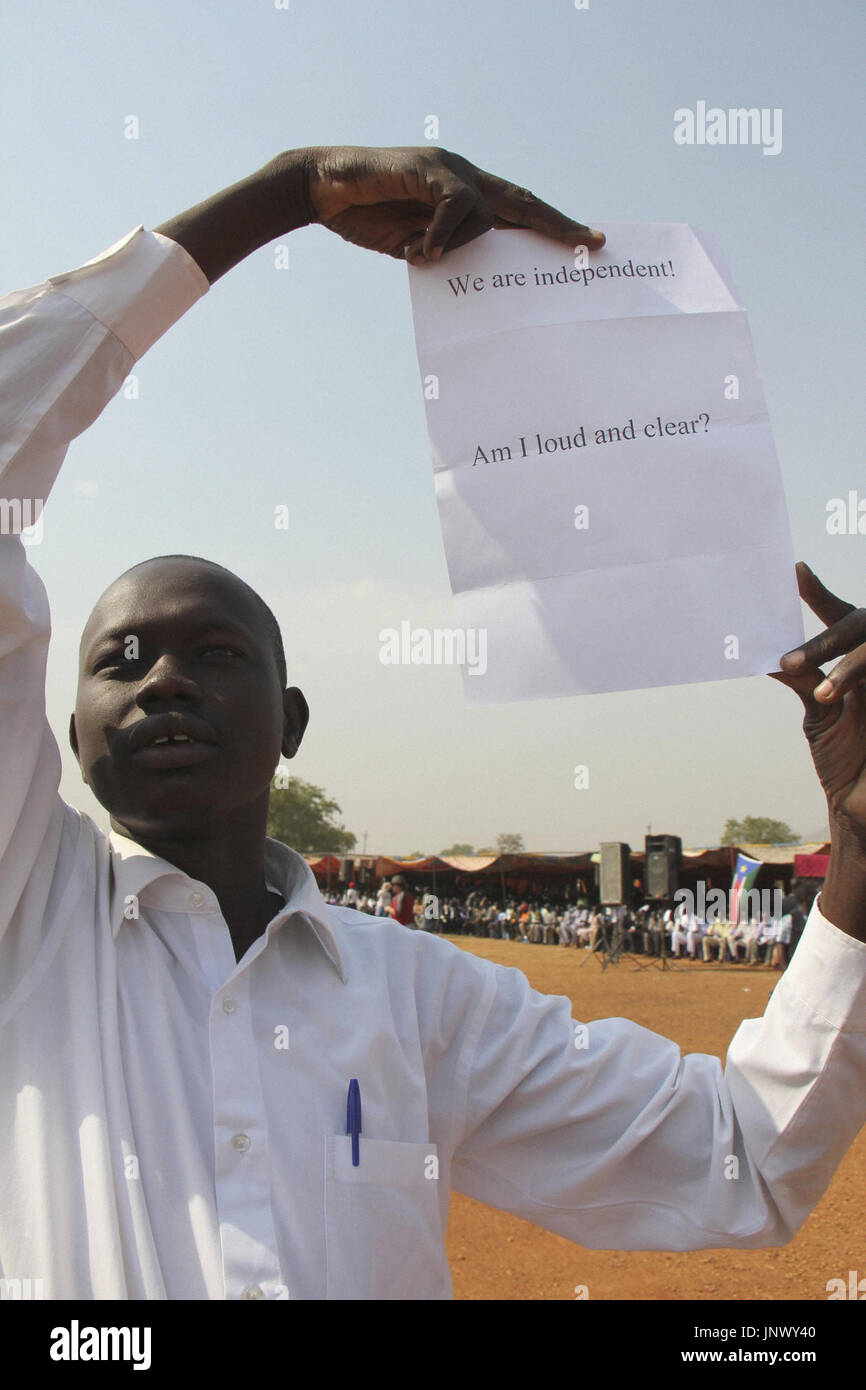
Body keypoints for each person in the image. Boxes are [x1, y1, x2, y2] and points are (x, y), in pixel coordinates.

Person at [4, 144, 866, 1303]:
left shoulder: (412, 994)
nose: (162, 682)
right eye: (120, 660)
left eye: (214, 656)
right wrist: (287, 193)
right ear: (62, 736)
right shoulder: (27, 915)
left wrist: (858, 859)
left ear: (291, 722)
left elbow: (740, 1158)